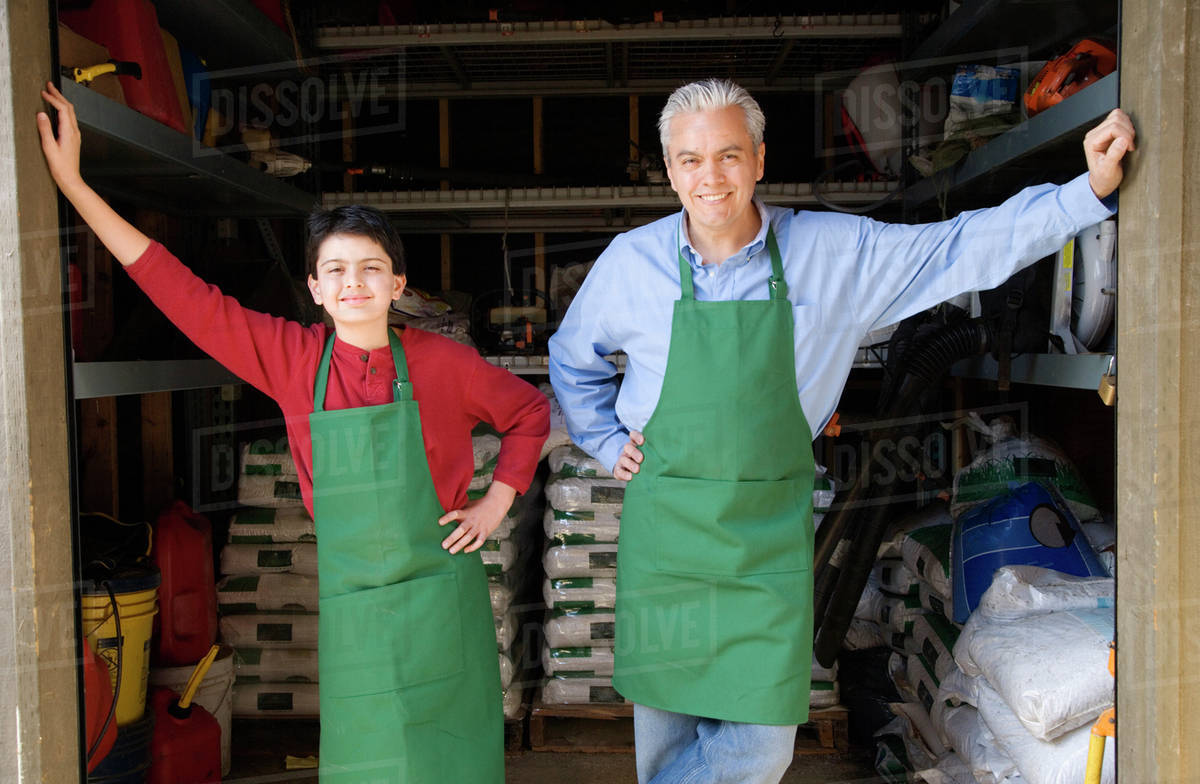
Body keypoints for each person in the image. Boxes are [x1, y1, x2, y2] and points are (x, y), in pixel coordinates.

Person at [548, 78, 1134, 783]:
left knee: (761, 747)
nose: (711, 177)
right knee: (668, 746)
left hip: (763, 541)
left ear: (759, 160)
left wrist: (1084, 194)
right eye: (690, 160)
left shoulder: (831, 251)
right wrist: (607, 441)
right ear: (671, 171)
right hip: (666, 536)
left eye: (728, 155)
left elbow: (958, 247)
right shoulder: (630, 263)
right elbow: (571, 358)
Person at [37, 81, 549, 784]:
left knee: (451, 756)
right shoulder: (291, 359)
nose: (353, 283)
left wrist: (497, 501)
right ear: (313, 288)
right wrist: (74, 185)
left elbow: (529, 413)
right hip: (353, 607)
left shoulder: (444, 363)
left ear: (398, 283)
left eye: (371, 268)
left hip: (441, 598)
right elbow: (178, 290)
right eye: (335, 269)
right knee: (369, 760)